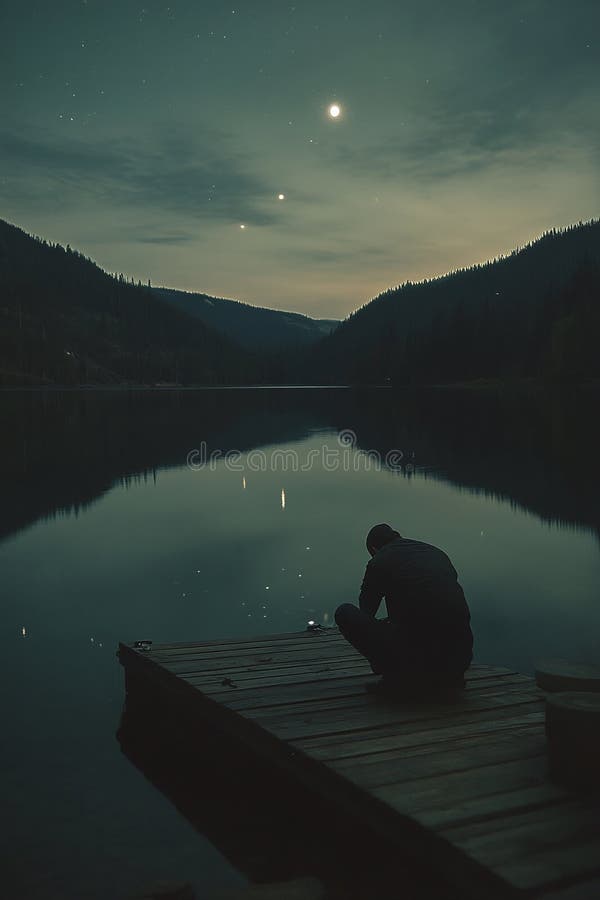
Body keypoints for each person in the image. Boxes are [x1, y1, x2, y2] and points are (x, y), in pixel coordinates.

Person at [335, 524, 473, 698]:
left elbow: (366, 612)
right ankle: (447, 677)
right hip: (461, 655)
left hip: (417, 656)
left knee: (345, 613)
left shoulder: (380, 561)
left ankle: (396, 677)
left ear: (373, 549)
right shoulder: (435, 553)